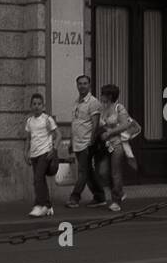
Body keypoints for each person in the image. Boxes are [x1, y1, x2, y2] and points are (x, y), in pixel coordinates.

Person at [66, 75, 106, 208]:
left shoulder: (93, 102)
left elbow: (95, 124)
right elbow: (75, 123)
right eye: (80, 83)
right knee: (88, 171)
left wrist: (91, 141)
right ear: (77, 85)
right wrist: (71, 142)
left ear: (89, 85)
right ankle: (100, 197)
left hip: (86, 143)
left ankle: (74, 198)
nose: (82, 86)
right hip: (77, 142)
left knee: (83, 171)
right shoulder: (76, 102)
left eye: (85, 83)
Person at [96, 85, 136, 213]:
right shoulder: (102, 108)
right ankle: (119, 191)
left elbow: (125, 125)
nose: (101, 96)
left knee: (115, 172)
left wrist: (110, 132)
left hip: (117, 144)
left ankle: (116, 201)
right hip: (106, 145)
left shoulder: (119, 108)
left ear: (110, 96)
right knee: (102, 172)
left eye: (103, 94)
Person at [21, 93, 60, 217]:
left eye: (39, 104)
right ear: (31, 106)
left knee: (37, 179)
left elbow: (58, 135)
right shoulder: (29, 121)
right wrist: (25, 152)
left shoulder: (47, 119)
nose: (36, 106)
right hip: (34, 154)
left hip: (45, 153)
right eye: (34, 104)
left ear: (43, 106)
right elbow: (28, 138)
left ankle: (40, 205)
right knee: (40, 179)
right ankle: (48, 205)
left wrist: (54, 149)